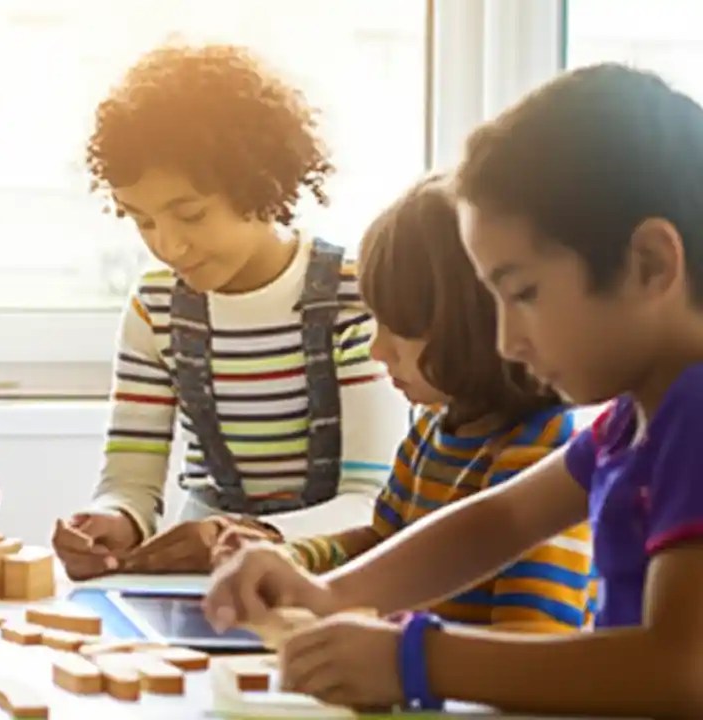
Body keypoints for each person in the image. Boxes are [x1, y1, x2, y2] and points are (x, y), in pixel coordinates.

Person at [205, 64, 703, 717]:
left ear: (650, 264)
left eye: (523, 293)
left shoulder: (694, 417)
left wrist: (416, 660)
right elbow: (501, 519)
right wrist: (327, 593)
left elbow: (681, 670)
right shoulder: (634, 421)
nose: (505, 341)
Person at [53, 44, 407, 579]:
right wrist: (111, 521)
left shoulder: (354, 298)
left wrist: (241, 537)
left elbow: (371, 503)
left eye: (190, 214)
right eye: (142, 220)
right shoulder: (156, 310)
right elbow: (130, 484)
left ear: (259, 185)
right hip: (205, 580)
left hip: (331, 575)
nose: (167, 245)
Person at [235, 174, 591, 632]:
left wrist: (402, 660)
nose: (377, 350)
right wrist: (293, 559)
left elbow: (534, 636)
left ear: (477, 324)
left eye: (400, 328)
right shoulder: (430, 430)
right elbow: (380, 543)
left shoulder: (543, 448)